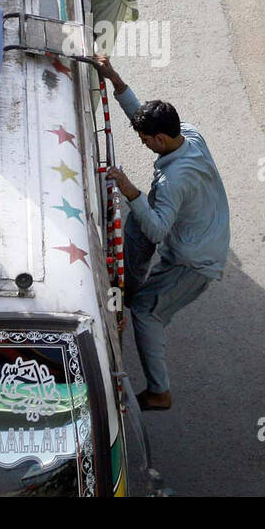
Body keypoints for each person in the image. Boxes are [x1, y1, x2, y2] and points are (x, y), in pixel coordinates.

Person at [93, 53, 230, 412]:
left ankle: (159, 392)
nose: (142, 145)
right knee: (137, 234)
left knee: (145, 312)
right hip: (203, 234)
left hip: (193, 262)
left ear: (161, 139)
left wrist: (129, 190)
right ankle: (128, 290)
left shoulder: (172, 182)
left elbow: (155, 231)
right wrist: (115, 80)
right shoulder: (188, 134)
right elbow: (142, 117)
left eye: (145, 141)